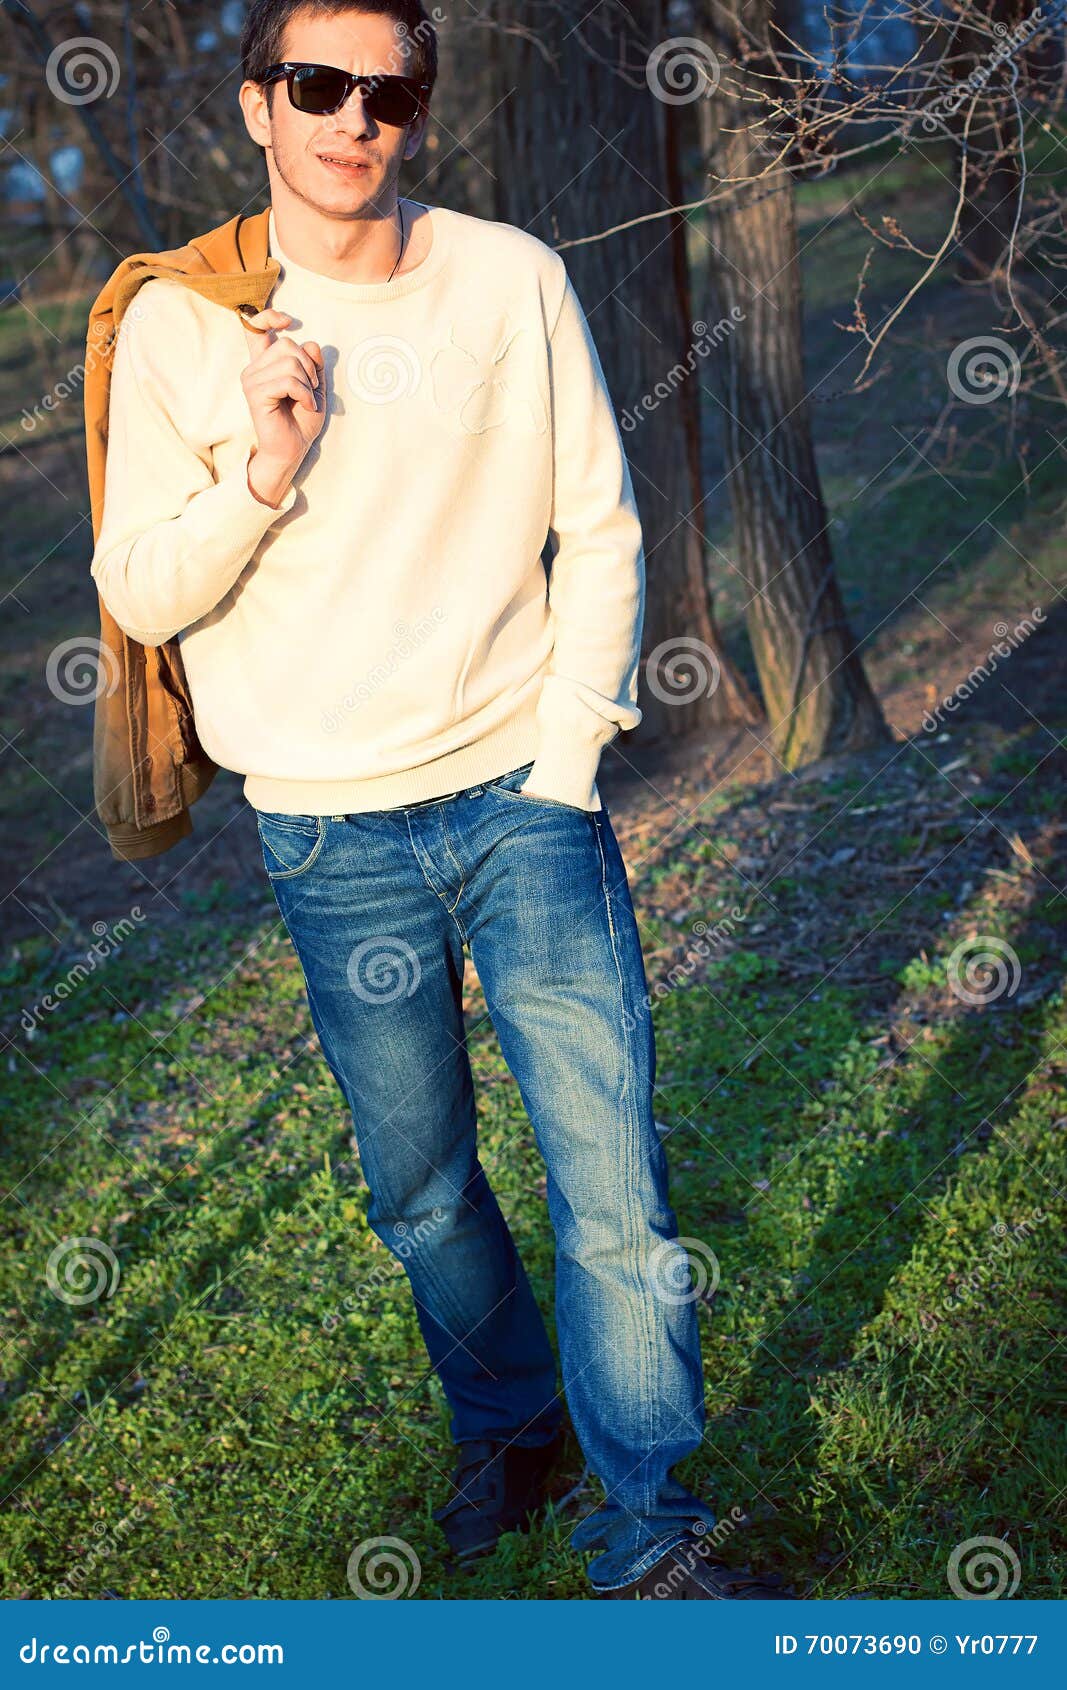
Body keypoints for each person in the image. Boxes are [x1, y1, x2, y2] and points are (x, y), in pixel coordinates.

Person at [90, 0, 790, 1601]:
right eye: (318, 84)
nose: (356, 116)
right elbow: (138, 588)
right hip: (329, 831)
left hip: (518, 798)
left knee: (610, 1173)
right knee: (418, 1186)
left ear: (419, 108)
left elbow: (601, 526)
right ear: (259, 104)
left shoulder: (509, 276)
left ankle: (652, 1529)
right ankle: (511, 1414)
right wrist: (262, 468)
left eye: (388, 88)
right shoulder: (185, 324)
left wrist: (564, 764)